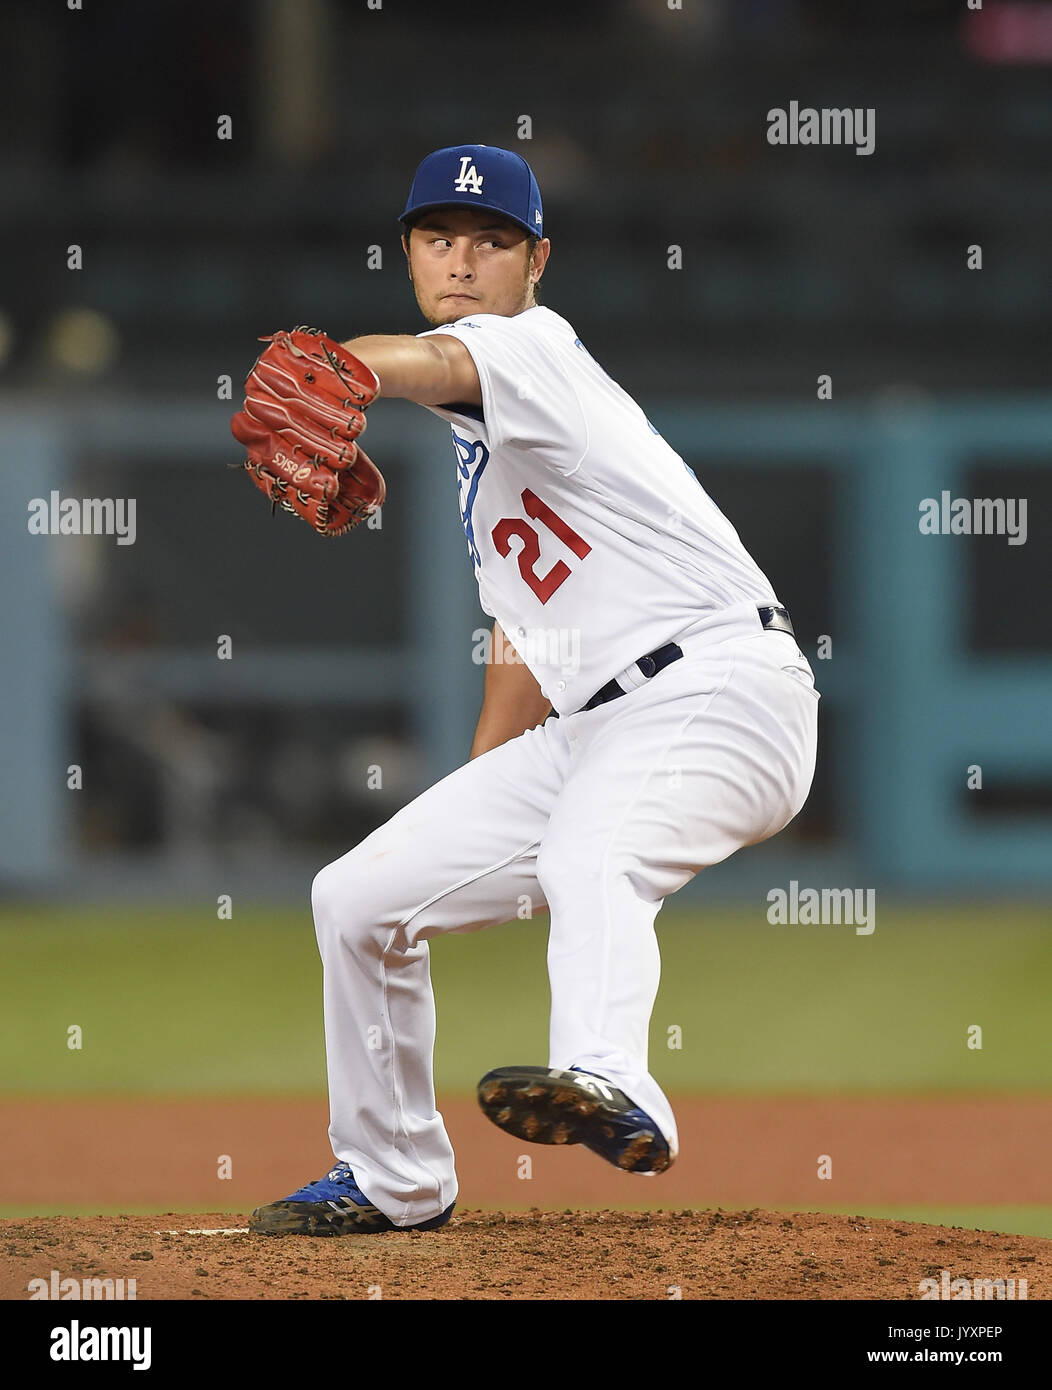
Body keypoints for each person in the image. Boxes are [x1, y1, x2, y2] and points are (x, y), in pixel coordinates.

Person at [248, 144, 819, 1236]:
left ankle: (616, 1082)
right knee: (357, 902)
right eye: (436, 237)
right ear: (409, 251)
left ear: (535, 261)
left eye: (490, 240)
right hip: (603, 724)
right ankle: (393, 1175)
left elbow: (424, 364)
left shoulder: (530, 349)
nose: (461, 259)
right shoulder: (489, 460)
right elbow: (524, 630)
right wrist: (472, 805)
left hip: (724, 686)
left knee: (588, 854)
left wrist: (348, 373)